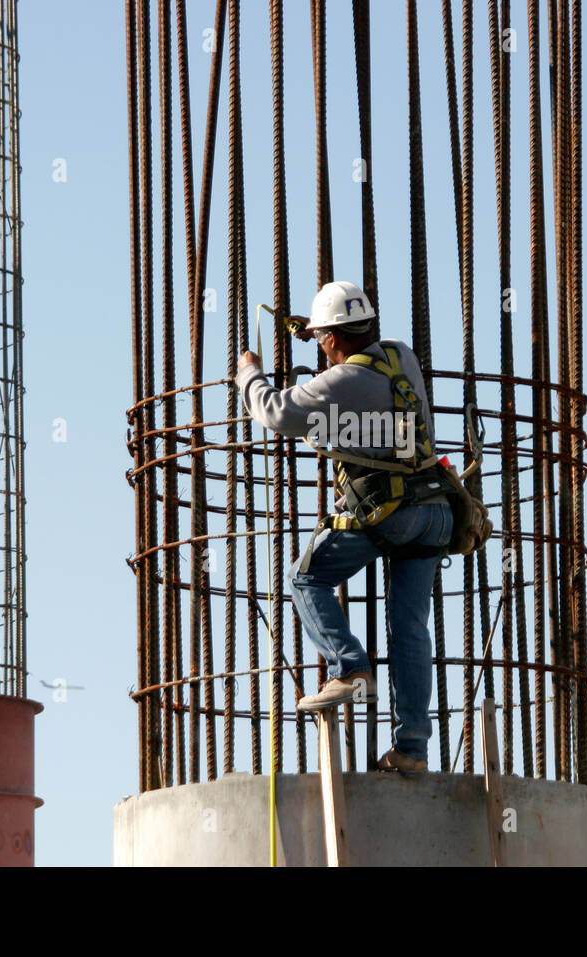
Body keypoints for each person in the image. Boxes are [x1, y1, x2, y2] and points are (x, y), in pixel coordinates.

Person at [236, 280, 452, 773]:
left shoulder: (339, 384)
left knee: (304, 578)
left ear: (331, 338)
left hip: (391, 513)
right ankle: (413, 749)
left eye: (319, 339)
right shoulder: (403, 357)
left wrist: (250, 374)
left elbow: (277, 412)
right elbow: (358, 394)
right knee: (410, 629)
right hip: (437, 512)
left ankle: (349, 666)